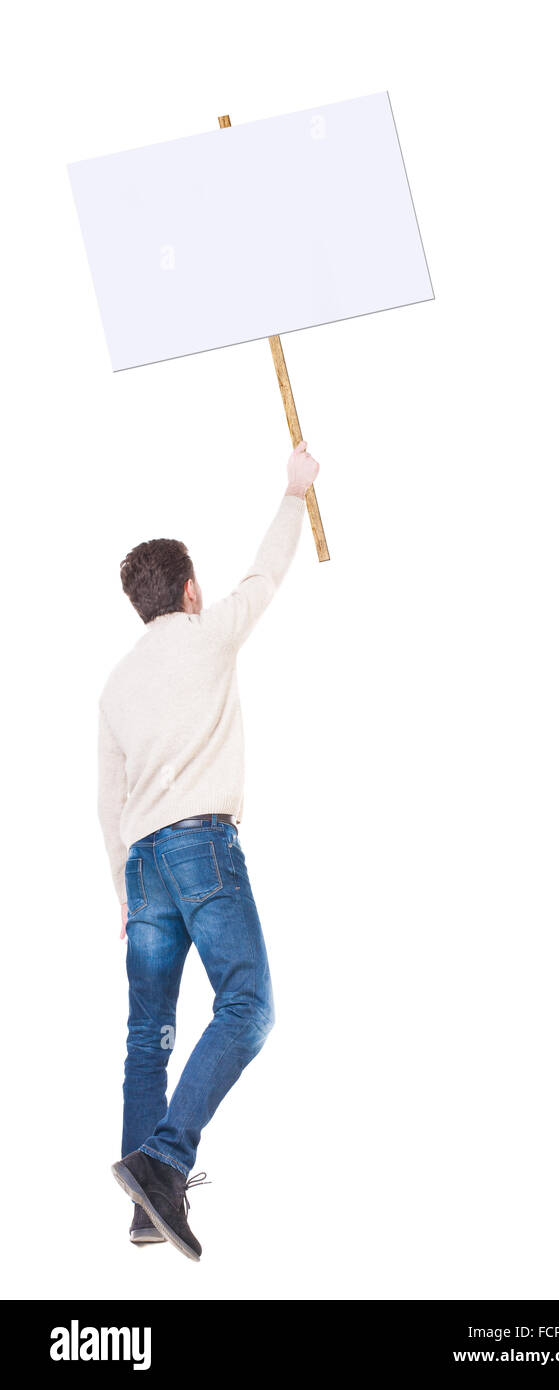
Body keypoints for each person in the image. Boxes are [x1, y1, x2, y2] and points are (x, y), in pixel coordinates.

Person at [98, 441, 319, 1260]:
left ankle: (141, 1204)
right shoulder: (207, 635)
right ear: (188, 592)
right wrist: (294, 492)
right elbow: (265, 577)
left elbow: (106, 802)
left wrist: (120, 891)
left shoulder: (117, 684)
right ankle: (162, 1163)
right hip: (203, 853)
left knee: (146, 1032)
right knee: (249, 1007)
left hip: (144, 868)